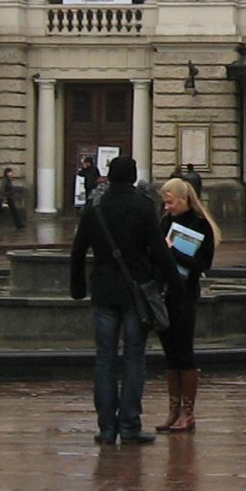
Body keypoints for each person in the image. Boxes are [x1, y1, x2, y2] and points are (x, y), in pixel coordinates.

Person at [70, 156, 174, 445]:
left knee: (104, 358)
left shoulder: (95, 208)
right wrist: (170, 283)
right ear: (133, 177)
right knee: (134, 357)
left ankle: (106, 428)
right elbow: (159, 251)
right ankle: (129, 424)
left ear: (109, 176)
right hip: (135, 292)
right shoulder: (143, 206)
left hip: (103, 291)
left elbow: (78, 251)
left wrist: (77, 287)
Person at [156, 176, 219, 433]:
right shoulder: (165, 222)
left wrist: (170, 251)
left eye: (170, 202)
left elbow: (202, 265)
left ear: (183, 199)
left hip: (185, 294)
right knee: (170, 354)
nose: (166, 207)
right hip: (164, 293)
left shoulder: (200, 225)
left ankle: (188, 412)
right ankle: (173, 409)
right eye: (164, 202)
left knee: (184, 353)